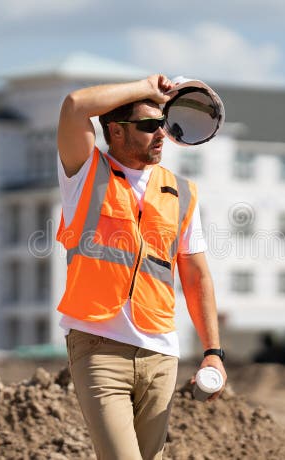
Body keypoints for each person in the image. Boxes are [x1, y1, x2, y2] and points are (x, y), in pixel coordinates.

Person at [55, 74, 227, 460]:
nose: (161, 134)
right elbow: (74, 106)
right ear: (115, 131)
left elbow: (197, 276)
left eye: (163, 123)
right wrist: (148, 87)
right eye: (149, 126)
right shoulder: (84, 173)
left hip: (160, 354)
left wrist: (213, 351)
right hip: (99, 348)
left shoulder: (181, 191)